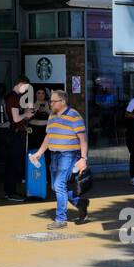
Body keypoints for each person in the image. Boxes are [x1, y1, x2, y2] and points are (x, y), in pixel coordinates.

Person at [28, 89, 90, 231]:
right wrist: (39, 153)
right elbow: (49, 136)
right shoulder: (52, 116)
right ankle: (81, 203)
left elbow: (83, 139)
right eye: (51, 101)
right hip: (54, 155)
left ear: (63, 102)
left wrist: (83, 158)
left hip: (68, 155)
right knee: (56, 186)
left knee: (59, 184)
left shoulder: (74, 116)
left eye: (53, 101)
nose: (51, 103)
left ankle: (61, 219)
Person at [3, 76, 34, 202]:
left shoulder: (12, 97)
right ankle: (11, 192)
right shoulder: (14, 98)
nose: (26, 90)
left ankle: (10, 191)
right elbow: (15, 119)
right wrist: (26, 114)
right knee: (13, 164)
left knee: (12, 163)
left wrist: (25, 114)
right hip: (14, 135)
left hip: (12, 134)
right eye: (26, 87)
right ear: (20, 84)